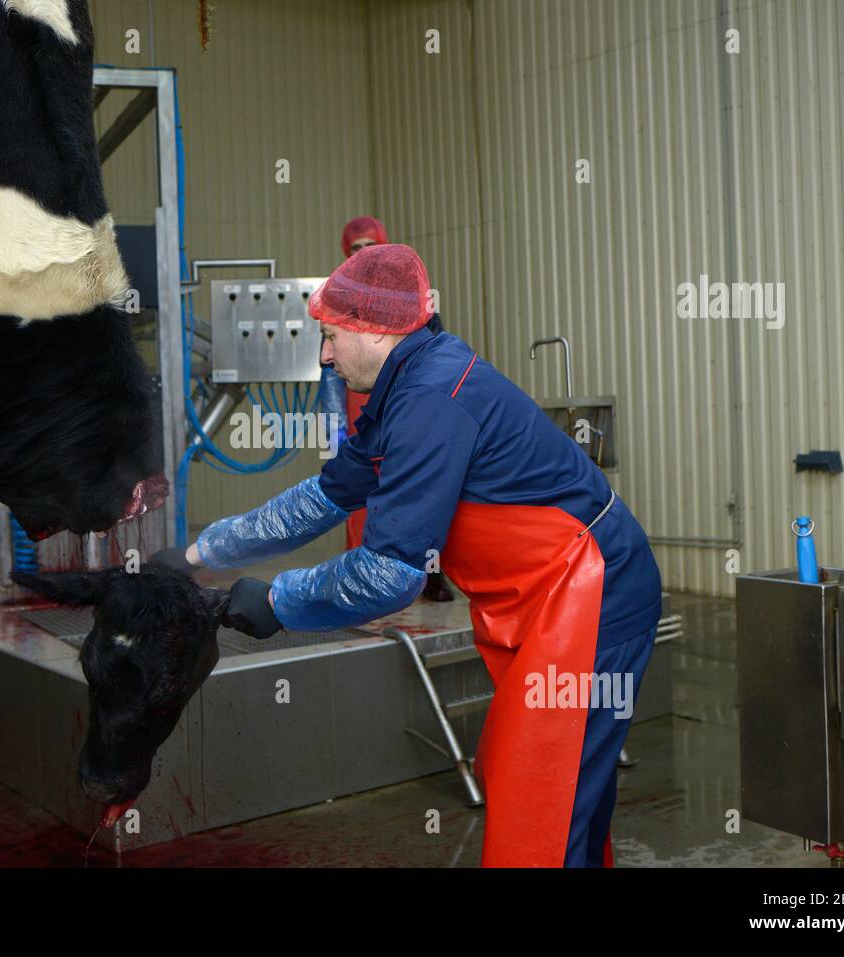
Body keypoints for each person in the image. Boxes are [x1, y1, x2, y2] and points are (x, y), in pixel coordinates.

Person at [155, 243, 662, 867]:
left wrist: (278, 600)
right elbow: (326, 496)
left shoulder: (431, 400)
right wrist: (202, 551)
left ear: (374, 331)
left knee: (546, 797)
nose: (324, 354)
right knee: (542, 783)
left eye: (331, 336)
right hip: (552, 597)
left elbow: (388, 575)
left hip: (594, 595)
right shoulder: (405, 385)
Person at [322, 216, 453, 601]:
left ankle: (428, 575)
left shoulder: (408, 291)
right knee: (363, 494)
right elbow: (329, 366)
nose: (364, 253)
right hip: (357, 401)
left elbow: (432, 346)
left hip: (404, 399)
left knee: (416, 488)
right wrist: (332, 431)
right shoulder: (337, 295)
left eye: (369, 246)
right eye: (356, 248)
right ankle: (364, 581)